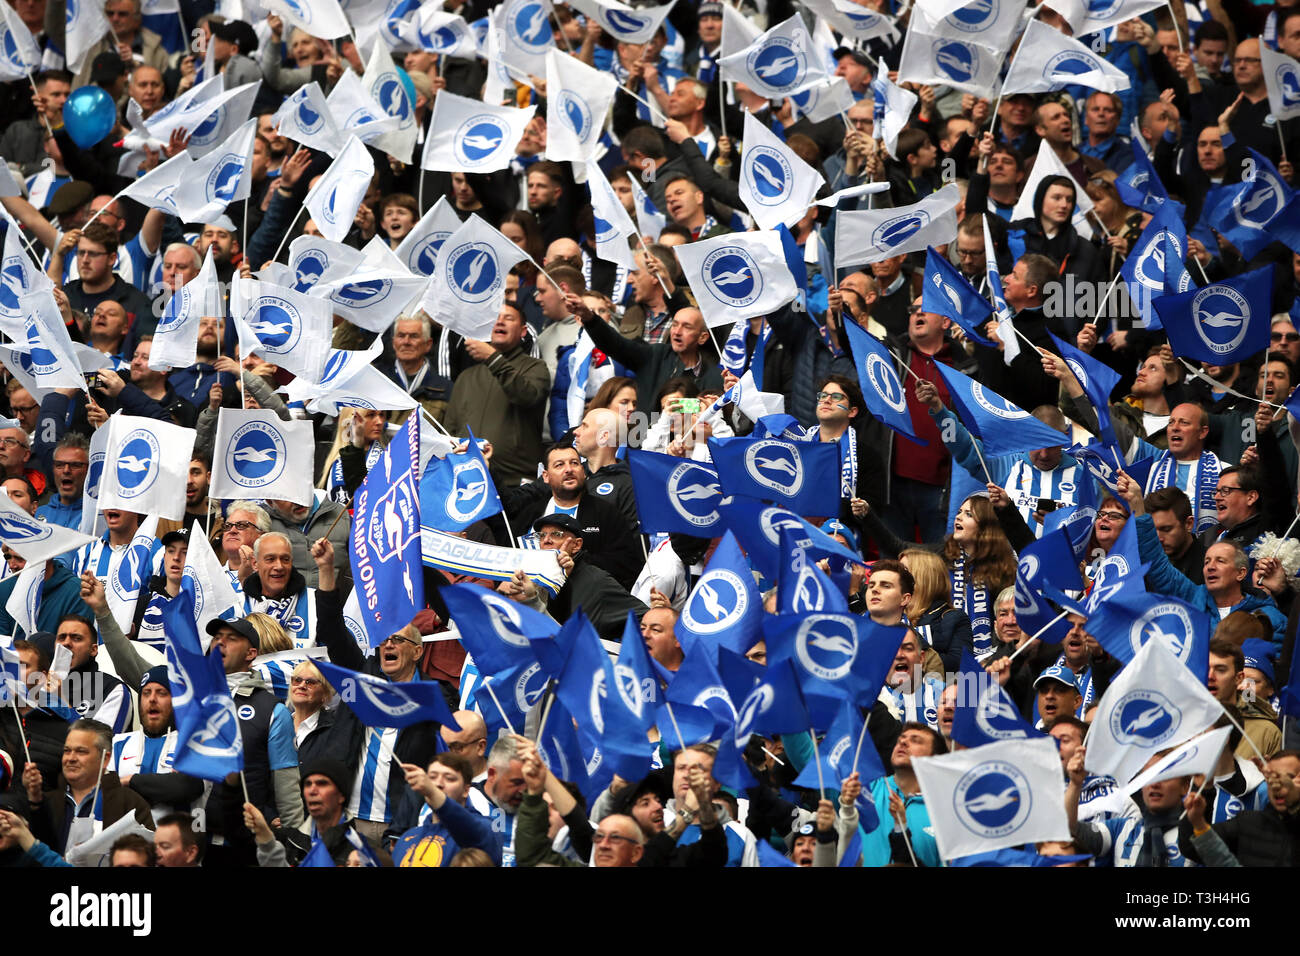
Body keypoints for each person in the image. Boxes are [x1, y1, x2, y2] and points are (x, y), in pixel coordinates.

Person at [860, 495, 1016, 659]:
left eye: (968, 514)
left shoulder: (1005, 569)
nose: (958, 516)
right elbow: (896, 546)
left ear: (986, 526)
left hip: (989, 657)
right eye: (959, 511)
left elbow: (1005, 618)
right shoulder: (944, 553)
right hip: (950, 645)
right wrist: (868, 516)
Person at [442, 303, 551, 487]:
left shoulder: (535, 367)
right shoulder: (467, 376)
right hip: (467, 477)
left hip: (514, 481)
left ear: (523, 331)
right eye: (495, 318)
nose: (500, 321)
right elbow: (450, 429)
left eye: (508, 318)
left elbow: (527, 396)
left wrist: (493, 358)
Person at [21, 719, 154, 855]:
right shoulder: (46, 801)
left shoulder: (130, 804)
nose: (71, 758)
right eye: (67, 751)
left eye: (81, 751)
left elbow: (146, 857)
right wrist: (34, 800)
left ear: (105, 759)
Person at [392, 752, 500, 867]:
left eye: (449, 778)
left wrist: (433, 793)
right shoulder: (408, 837)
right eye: (432, 777)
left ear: (466, 790)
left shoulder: (485, 830)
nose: (438, 784)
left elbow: (471, 829)